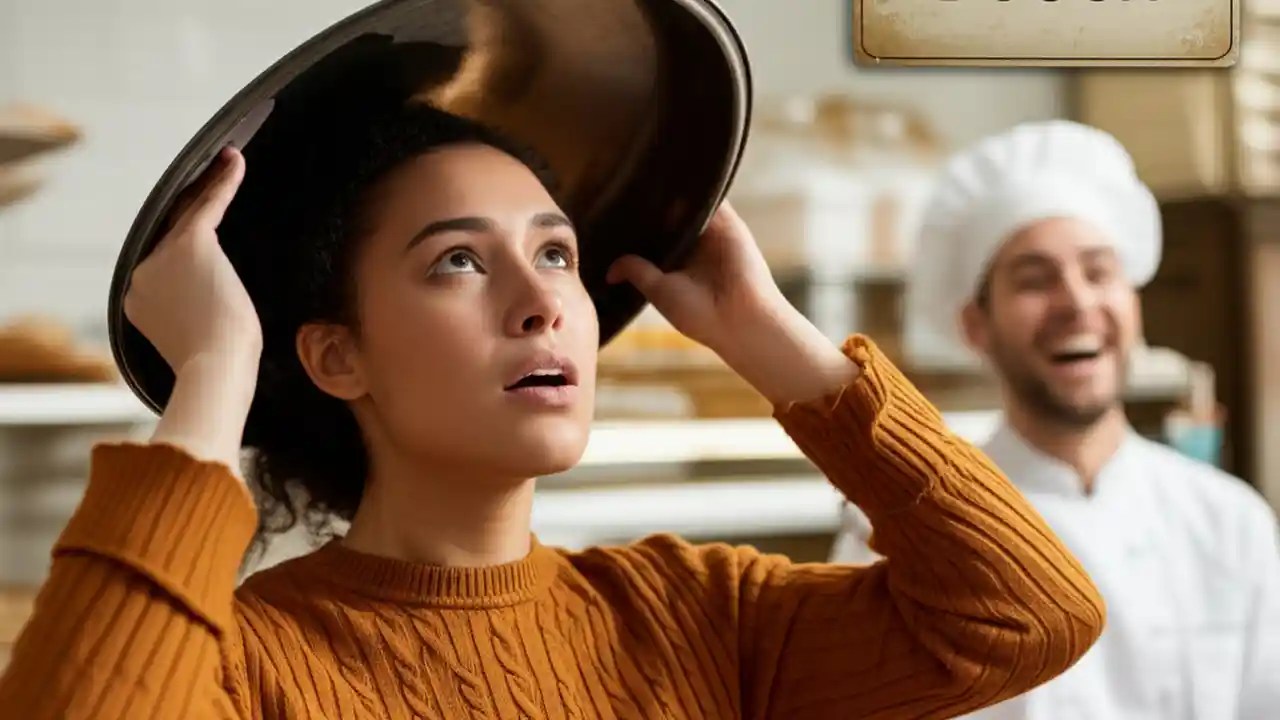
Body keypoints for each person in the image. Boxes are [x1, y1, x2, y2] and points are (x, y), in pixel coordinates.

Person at [0, 103, 1106, 719]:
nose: (541, 303)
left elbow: (1027, 618)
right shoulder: (252, 668)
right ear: (337, 356)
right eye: (455, 263)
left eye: (556, 252)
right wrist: (216, 367)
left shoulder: (698, 616)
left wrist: (766, 336)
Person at [831, 120, 1280, 718]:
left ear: (1134, 305)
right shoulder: (902, 529)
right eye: (1035, 280)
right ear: (975, 326)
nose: (1077, 303)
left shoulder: (1229, 522)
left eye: (1099, 272)